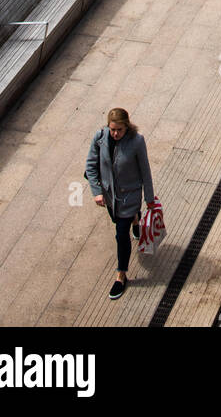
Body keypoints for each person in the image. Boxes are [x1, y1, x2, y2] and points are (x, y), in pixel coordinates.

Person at [85, 108, 155, 300]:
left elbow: (145, 171)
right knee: (118, 222)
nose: (115, 134)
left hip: (129, 196)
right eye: (112, 129)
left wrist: (149, 199)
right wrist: (97, 192)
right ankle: (135, 220)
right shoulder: (100, 138)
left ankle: (121, 275)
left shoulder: (137, 142)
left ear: (127, 127)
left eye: (119, 130)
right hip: (109, 197)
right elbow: (90, 167)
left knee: (120, 234)